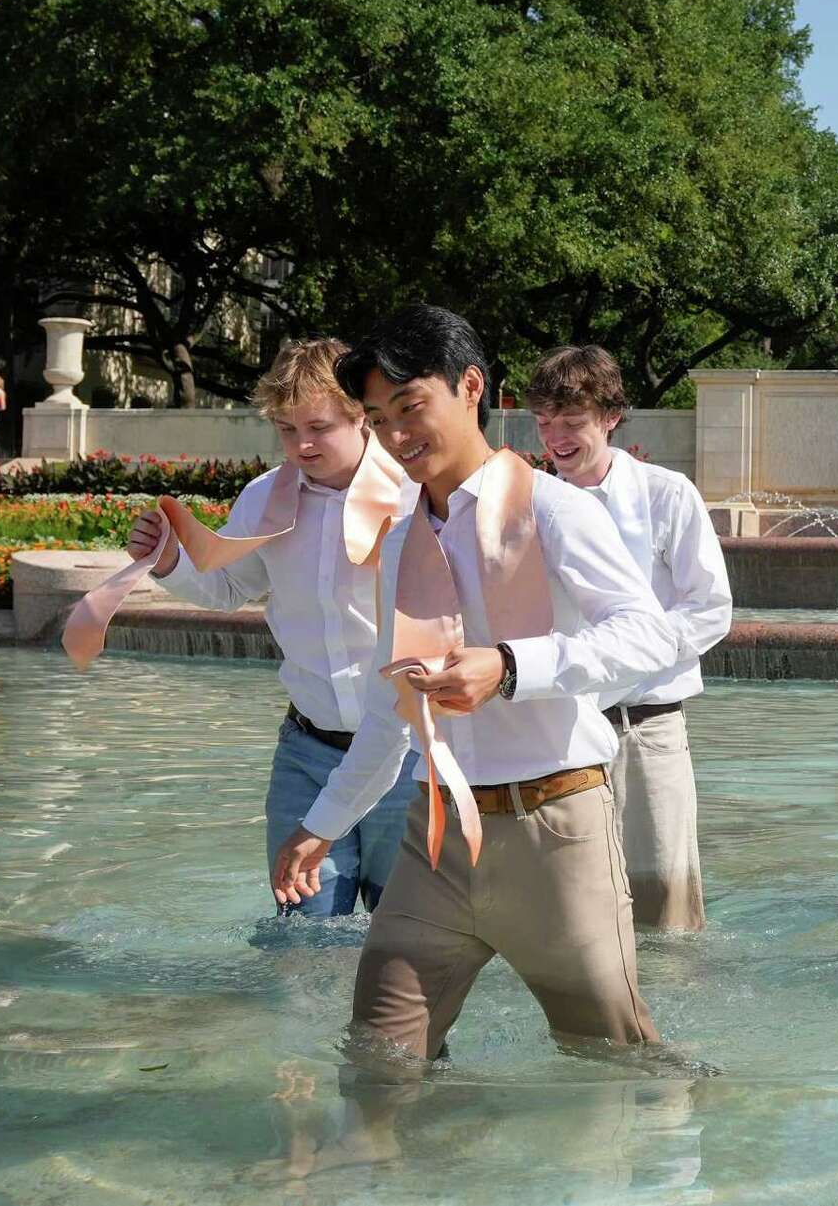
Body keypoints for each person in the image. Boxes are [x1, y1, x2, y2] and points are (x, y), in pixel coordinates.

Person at [266, 305, 677, 1172]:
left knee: (618, 1064)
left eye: (409, 407)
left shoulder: (557, 511)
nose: (395, 434)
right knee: (377, 1057)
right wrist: (324, 823)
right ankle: (385, 1182)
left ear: (470, 389)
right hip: (437, 839)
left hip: (555, 833)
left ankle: (678, 1173)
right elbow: (391, 711)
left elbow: (650, 636)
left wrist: (513, 665)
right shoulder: (404, 537)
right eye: (378, 420)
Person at [125, 339, 418, 918]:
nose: (300, 444)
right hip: (306, 752)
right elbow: (229, 589)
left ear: (362, 414)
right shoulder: (264, 498)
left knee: (406, 938)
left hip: (408, 756)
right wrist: (168, 564)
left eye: (318, 426)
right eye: (285, 429)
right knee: (301, 935)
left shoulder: (417, 495)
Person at [529, 344, 731, 931]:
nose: (556, 438)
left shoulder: (667, 493)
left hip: (648, 725)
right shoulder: (530, 503)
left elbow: (711, 608)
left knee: (664, 905)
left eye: (572, 422)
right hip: (561, 732)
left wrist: (620, 659)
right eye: (544, 423)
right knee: (569, 909)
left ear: (611, 416)